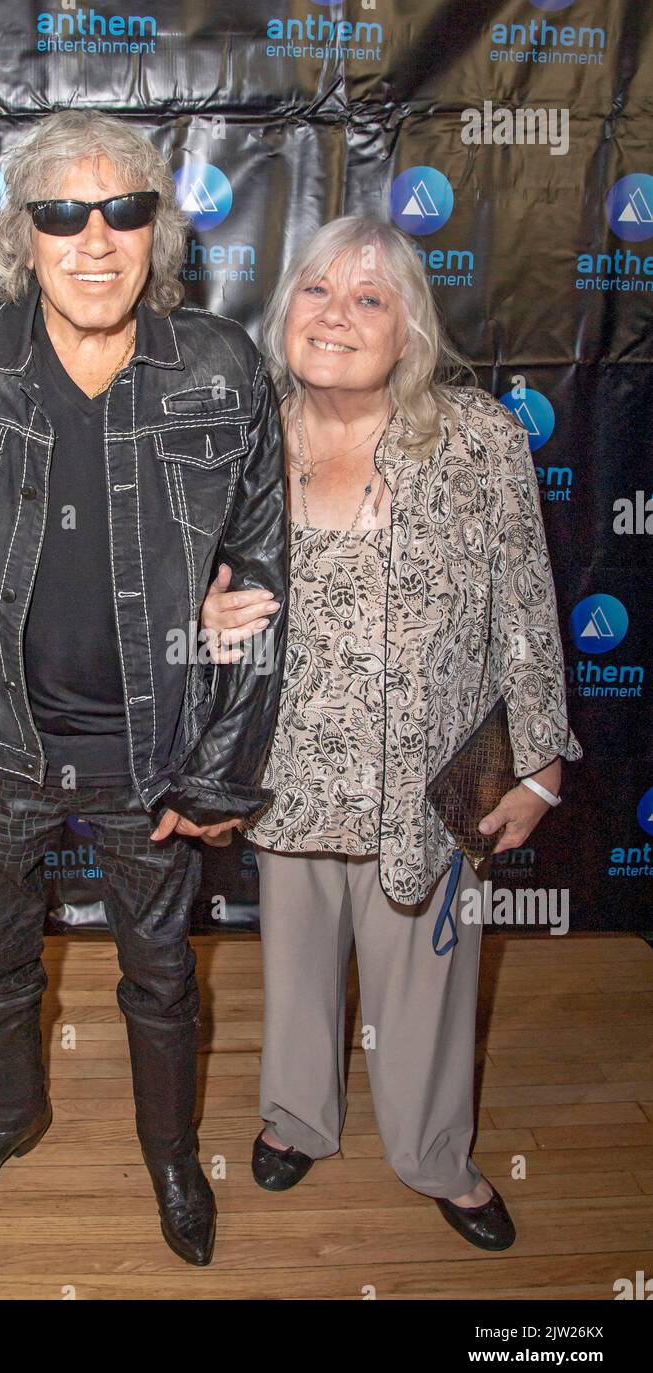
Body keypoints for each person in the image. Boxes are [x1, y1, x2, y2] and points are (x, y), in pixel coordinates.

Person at [0, 109, 288, 1266]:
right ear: (24, 234)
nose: (94, 238)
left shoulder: (218, 367)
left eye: (124, 209)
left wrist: (218, 774)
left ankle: (171, 1154)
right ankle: (8, 1118)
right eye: (62, 213)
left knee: (161, 977)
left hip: (152, 753)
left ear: (158, 231)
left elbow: (262, 582)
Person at [198, 215, 582, 1251]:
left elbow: (524, 606)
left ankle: (434, 1156)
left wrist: (540, 767)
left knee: (427, 985)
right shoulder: (238, 439)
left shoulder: (479, 439)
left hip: (431, 777)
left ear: (409, 329)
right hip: (284, 772)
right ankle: (296, 1118)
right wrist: (202, 614)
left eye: (368, 298)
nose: (336, 316)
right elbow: (174, 585)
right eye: (316, 291)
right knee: (295, 969)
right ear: (284, 312)